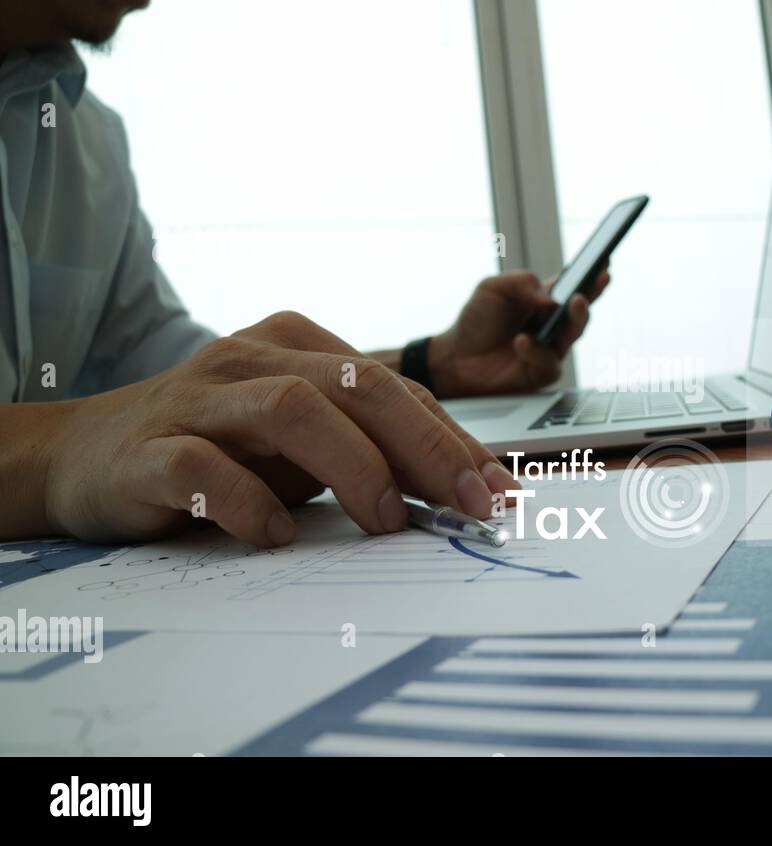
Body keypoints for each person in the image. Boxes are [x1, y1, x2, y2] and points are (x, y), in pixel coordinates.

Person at [0, 0, 608, 548]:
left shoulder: (88, 138)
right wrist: (59, 452)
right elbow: (114, 428)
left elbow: (175, 386)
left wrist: (437, 363)